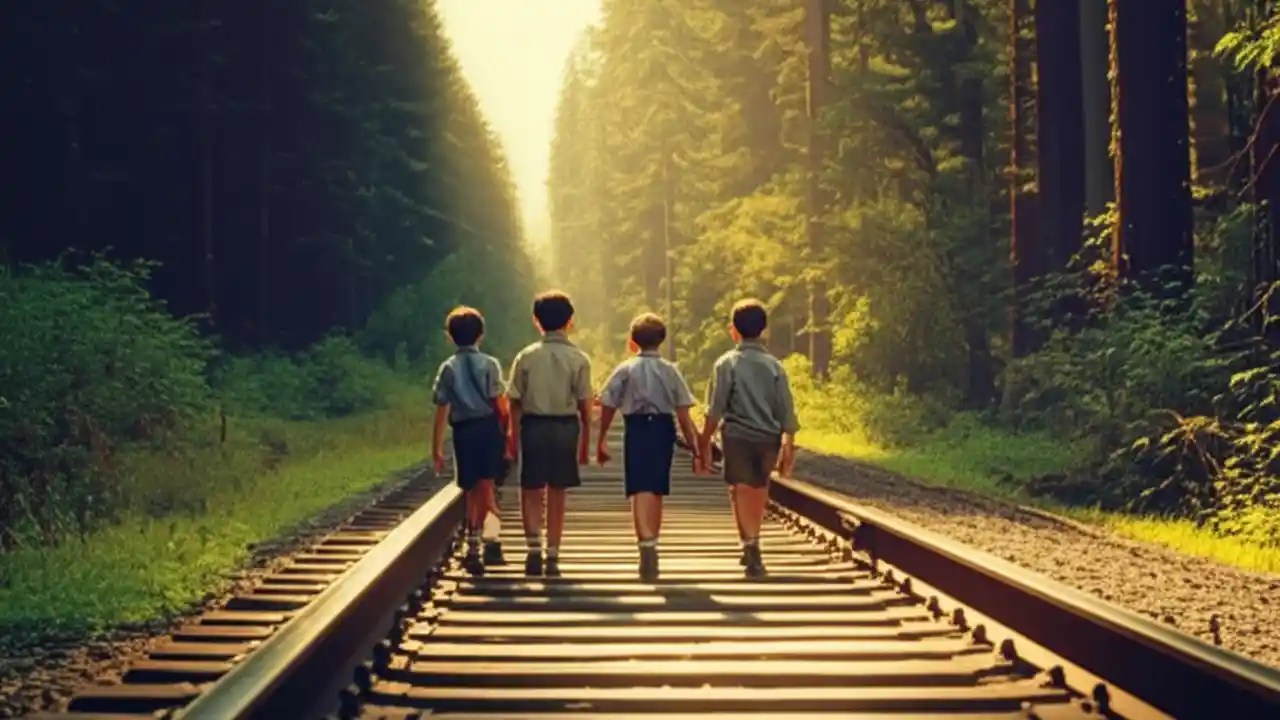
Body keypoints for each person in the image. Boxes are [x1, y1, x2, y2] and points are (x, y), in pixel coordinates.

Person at [697, 299, 799, 578]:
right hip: (768, 437)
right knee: (759, 487)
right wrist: (789, 444)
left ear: (733, 330)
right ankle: (751, 543)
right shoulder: (775, 366)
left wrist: (704, 442)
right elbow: (785, 408)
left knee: (739, 488)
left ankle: (751, 546)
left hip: (737, 436)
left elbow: (716, 408)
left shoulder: (726, 364)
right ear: (764, 330)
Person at [596, 313, 700, 581]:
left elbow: (608, 403)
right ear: (661, 340)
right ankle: (653, 542)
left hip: (637, 428)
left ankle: (645, 545)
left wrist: (602, 437)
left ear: (633, 342)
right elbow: (684, 414)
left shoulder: (625, 369)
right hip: (663, 429)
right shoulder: (670, 370)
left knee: (638, 487)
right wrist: (695, 446)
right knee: (656, 487)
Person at [507, 290, 592, 577]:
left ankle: (533, 547)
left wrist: (512, 439)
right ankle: (553, 553)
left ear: (536, 321)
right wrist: (586, 444)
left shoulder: (526, 357)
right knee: (558, 491)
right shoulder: (579, 358)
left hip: (534, 426)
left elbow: (514, 401)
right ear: (570, 322)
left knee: (531, 489)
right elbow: (585, 404)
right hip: (565, 427)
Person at [431, 306, 509, 576]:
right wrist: (508, 434)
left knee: (471, 489)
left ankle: (475, 545)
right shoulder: (490, 364)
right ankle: (490, 541)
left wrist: (437, 447)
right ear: (481, 334)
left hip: (463, 432)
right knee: (487, 487)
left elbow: (442, 408)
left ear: (451, 337)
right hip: (488, 429)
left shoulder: (447, 368)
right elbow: (499, 402)